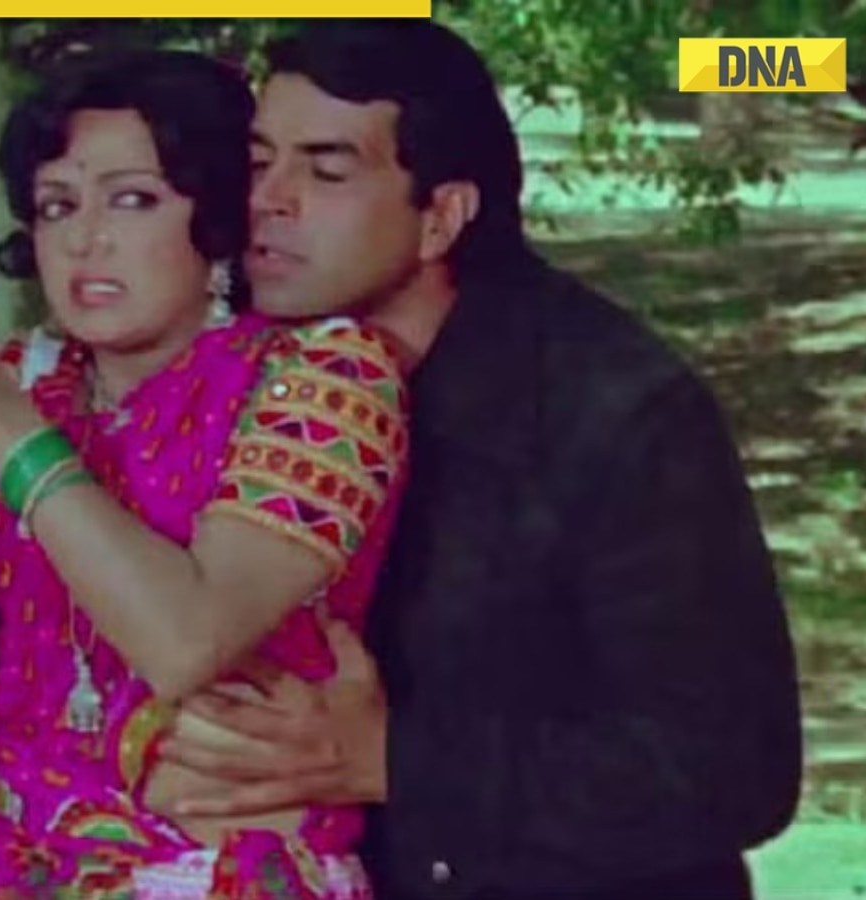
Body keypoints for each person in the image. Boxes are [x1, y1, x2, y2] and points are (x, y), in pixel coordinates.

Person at [146, 20, 806, 900]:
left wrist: (392, 760)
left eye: (327, 170)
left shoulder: (613, 409)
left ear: (442, 217)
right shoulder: (227, 370)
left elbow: (731, 769)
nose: (270, 199)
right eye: (260, 161)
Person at [0, 50, 410, 898]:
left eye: (133, 199)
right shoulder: (28, 385)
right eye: (57, 205)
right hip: (26, 869)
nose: (85, 238)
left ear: (216, 218)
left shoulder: (323, 375)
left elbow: (188, 642)